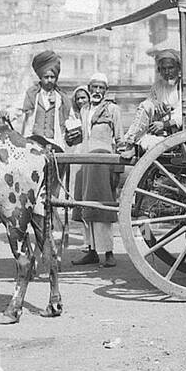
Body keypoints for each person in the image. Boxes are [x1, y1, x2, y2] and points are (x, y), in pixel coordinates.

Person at [73, 73, 122, 268]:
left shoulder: (113, 110)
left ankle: (109, 252)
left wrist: (117, 169)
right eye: (94, 87)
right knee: (85, 206)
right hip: (85, 163)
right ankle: (91, 250)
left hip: (102, 164)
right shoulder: (84, 109)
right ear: (89, 88)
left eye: (102, 88)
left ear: (106, 91)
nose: (98, 91)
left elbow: (120, 139)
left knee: (102, 207)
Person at [121, 49, 186, 152]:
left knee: (149, 145)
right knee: (146, 105)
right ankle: (130, 142)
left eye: (170, 68)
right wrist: (154, 104)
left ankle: (134, 146)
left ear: (178, 68)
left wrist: (166, 124)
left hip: (179, 136)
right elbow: (146, 110)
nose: (167, 72)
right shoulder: (157, 86)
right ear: (159, 70)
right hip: (159, 134)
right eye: (163, 69)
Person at [20, 50, 68, 150]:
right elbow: (18, 111)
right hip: (33, 143)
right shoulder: (32, 94)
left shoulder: (62, 97)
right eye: (46, 77)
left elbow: (70, 119)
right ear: (40, 77)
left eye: (52, 77)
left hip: (55, 144)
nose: (49, 80)